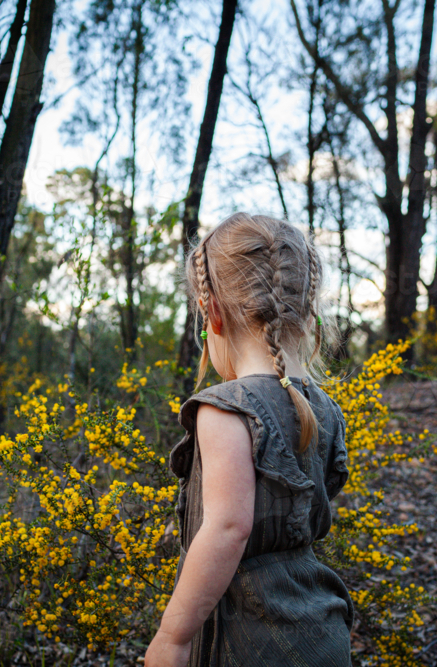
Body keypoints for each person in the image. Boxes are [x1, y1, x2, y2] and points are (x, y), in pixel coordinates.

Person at [145, 213, 354, 667]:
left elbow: (228, 528)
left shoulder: (226, 408)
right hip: (321, 630)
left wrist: (173, 637)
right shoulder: (325, 408)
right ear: (305, 308)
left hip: (248, 640)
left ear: (213, 313)